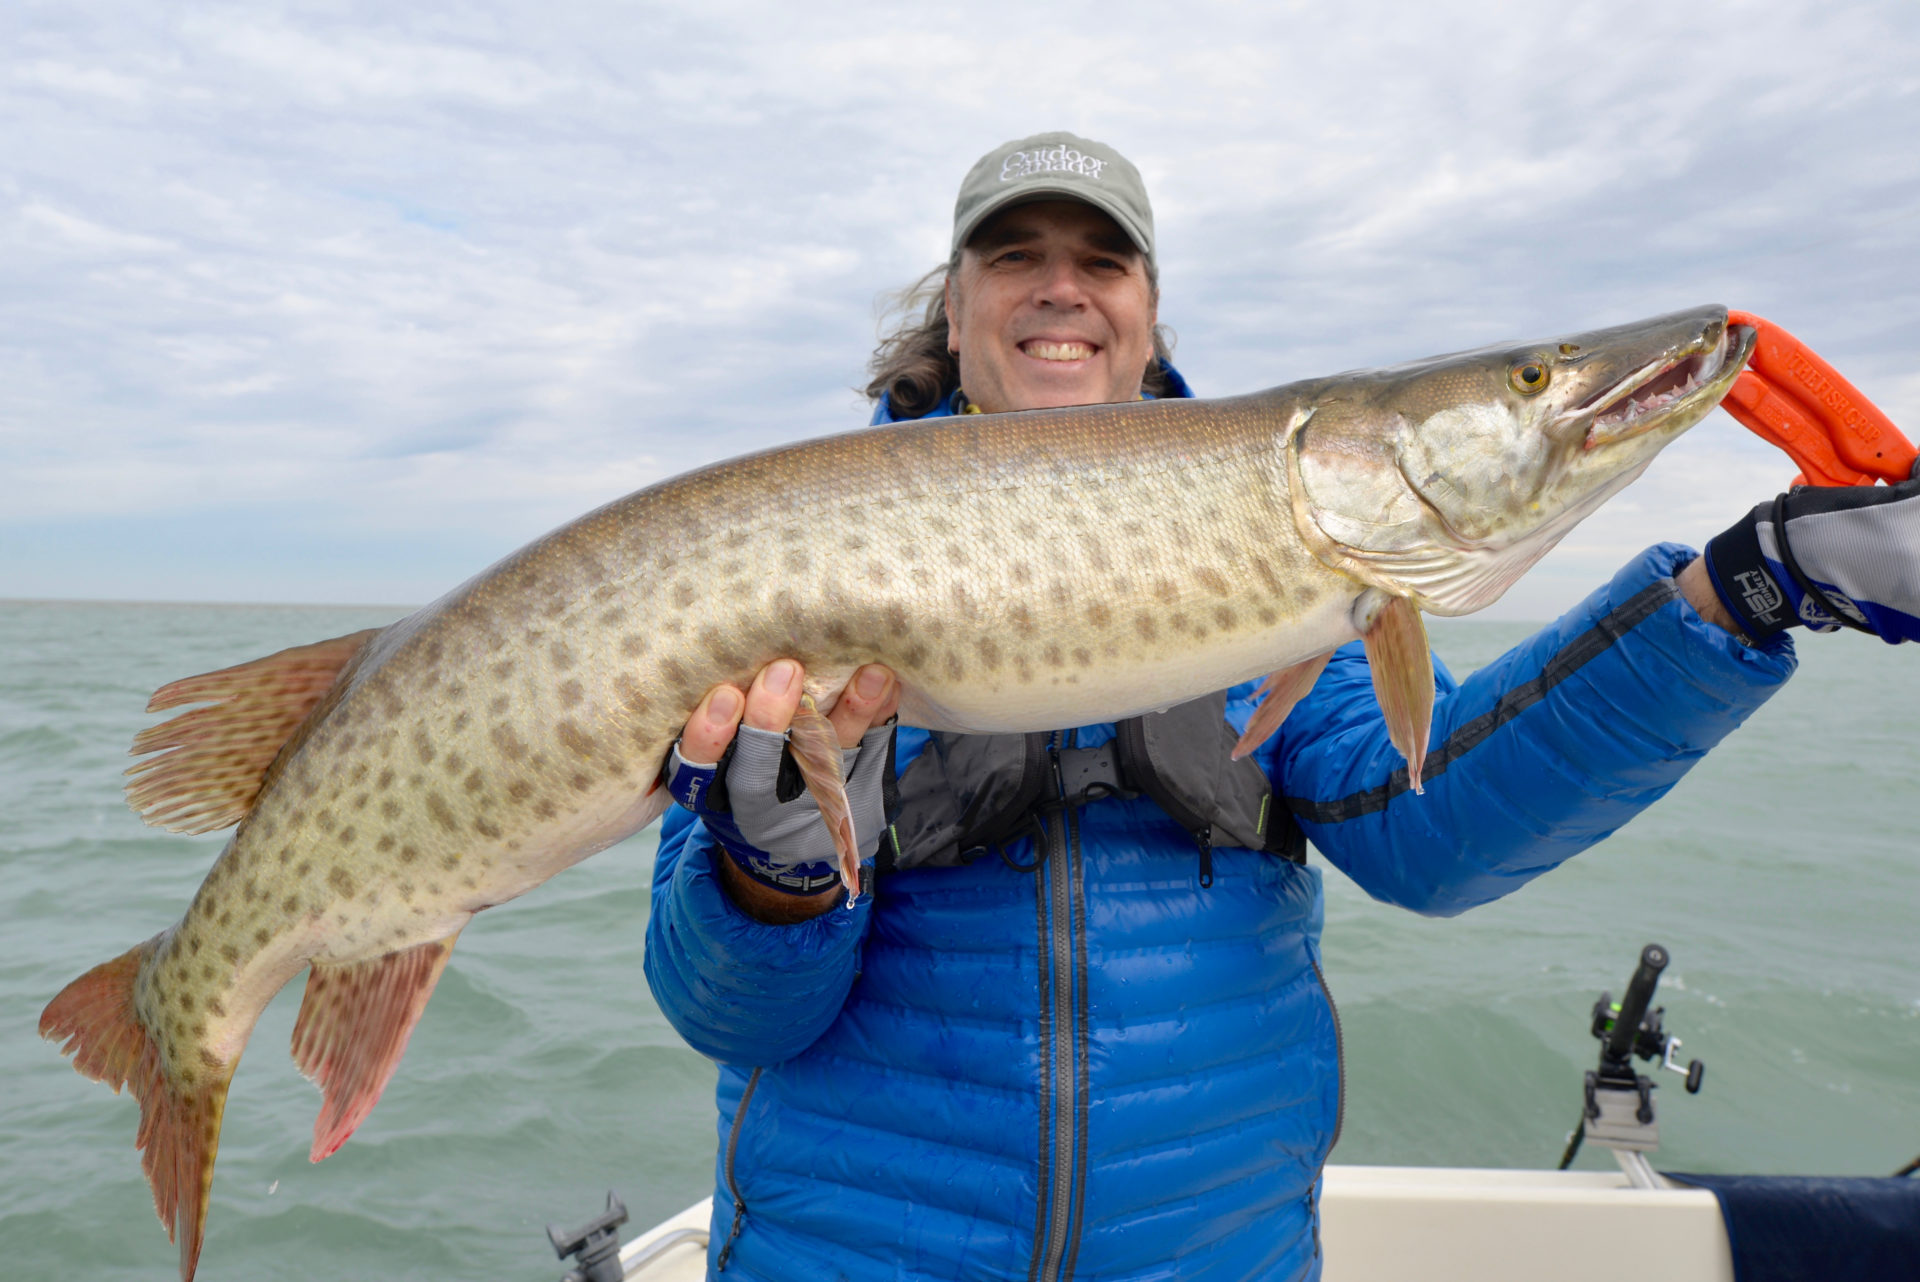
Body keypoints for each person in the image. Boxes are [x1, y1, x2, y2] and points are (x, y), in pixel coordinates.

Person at [643, 132, 1920, 1280]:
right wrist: (774, 874)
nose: (1061, 285)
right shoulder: (792, 561)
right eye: (1015, 255)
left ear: (1147, 314)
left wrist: (1747, 589)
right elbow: (731, 1013)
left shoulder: (1305, 570)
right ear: (957, 306)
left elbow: (1435, 833)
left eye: (1104, 261)